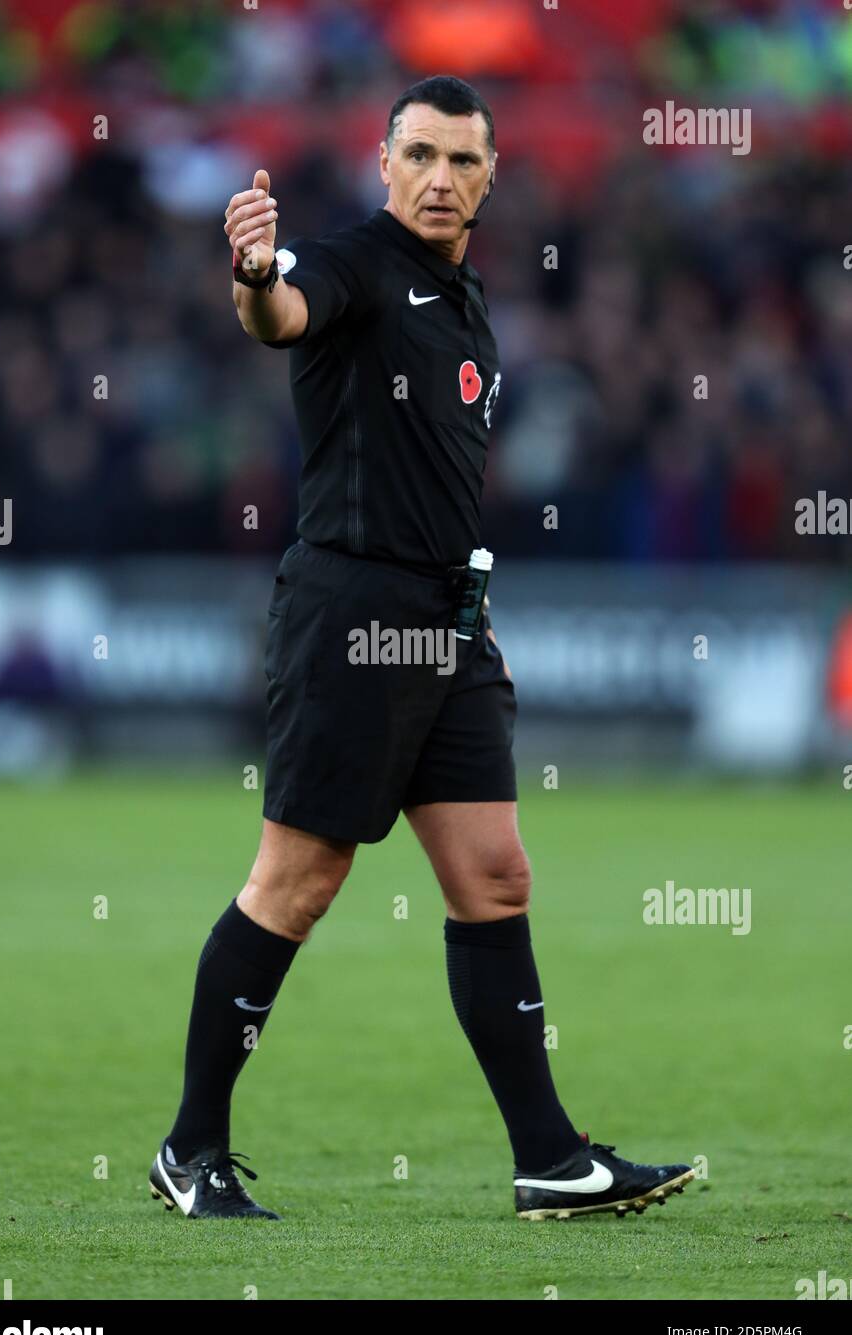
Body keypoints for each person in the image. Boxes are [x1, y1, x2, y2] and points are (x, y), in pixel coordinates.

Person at [148, 75, 695, 1222]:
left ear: (492, 179)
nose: (440, 178)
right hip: (353, 613)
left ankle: (549, 1158)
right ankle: (189, 1150)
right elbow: (280, 311)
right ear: (382, 163)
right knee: (298, 884)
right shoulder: (349, 263)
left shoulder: (467, 299)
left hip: (451, 620)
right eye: (421, 155)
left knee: (495, 874)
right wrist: (255, 273)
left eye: (463, 161)